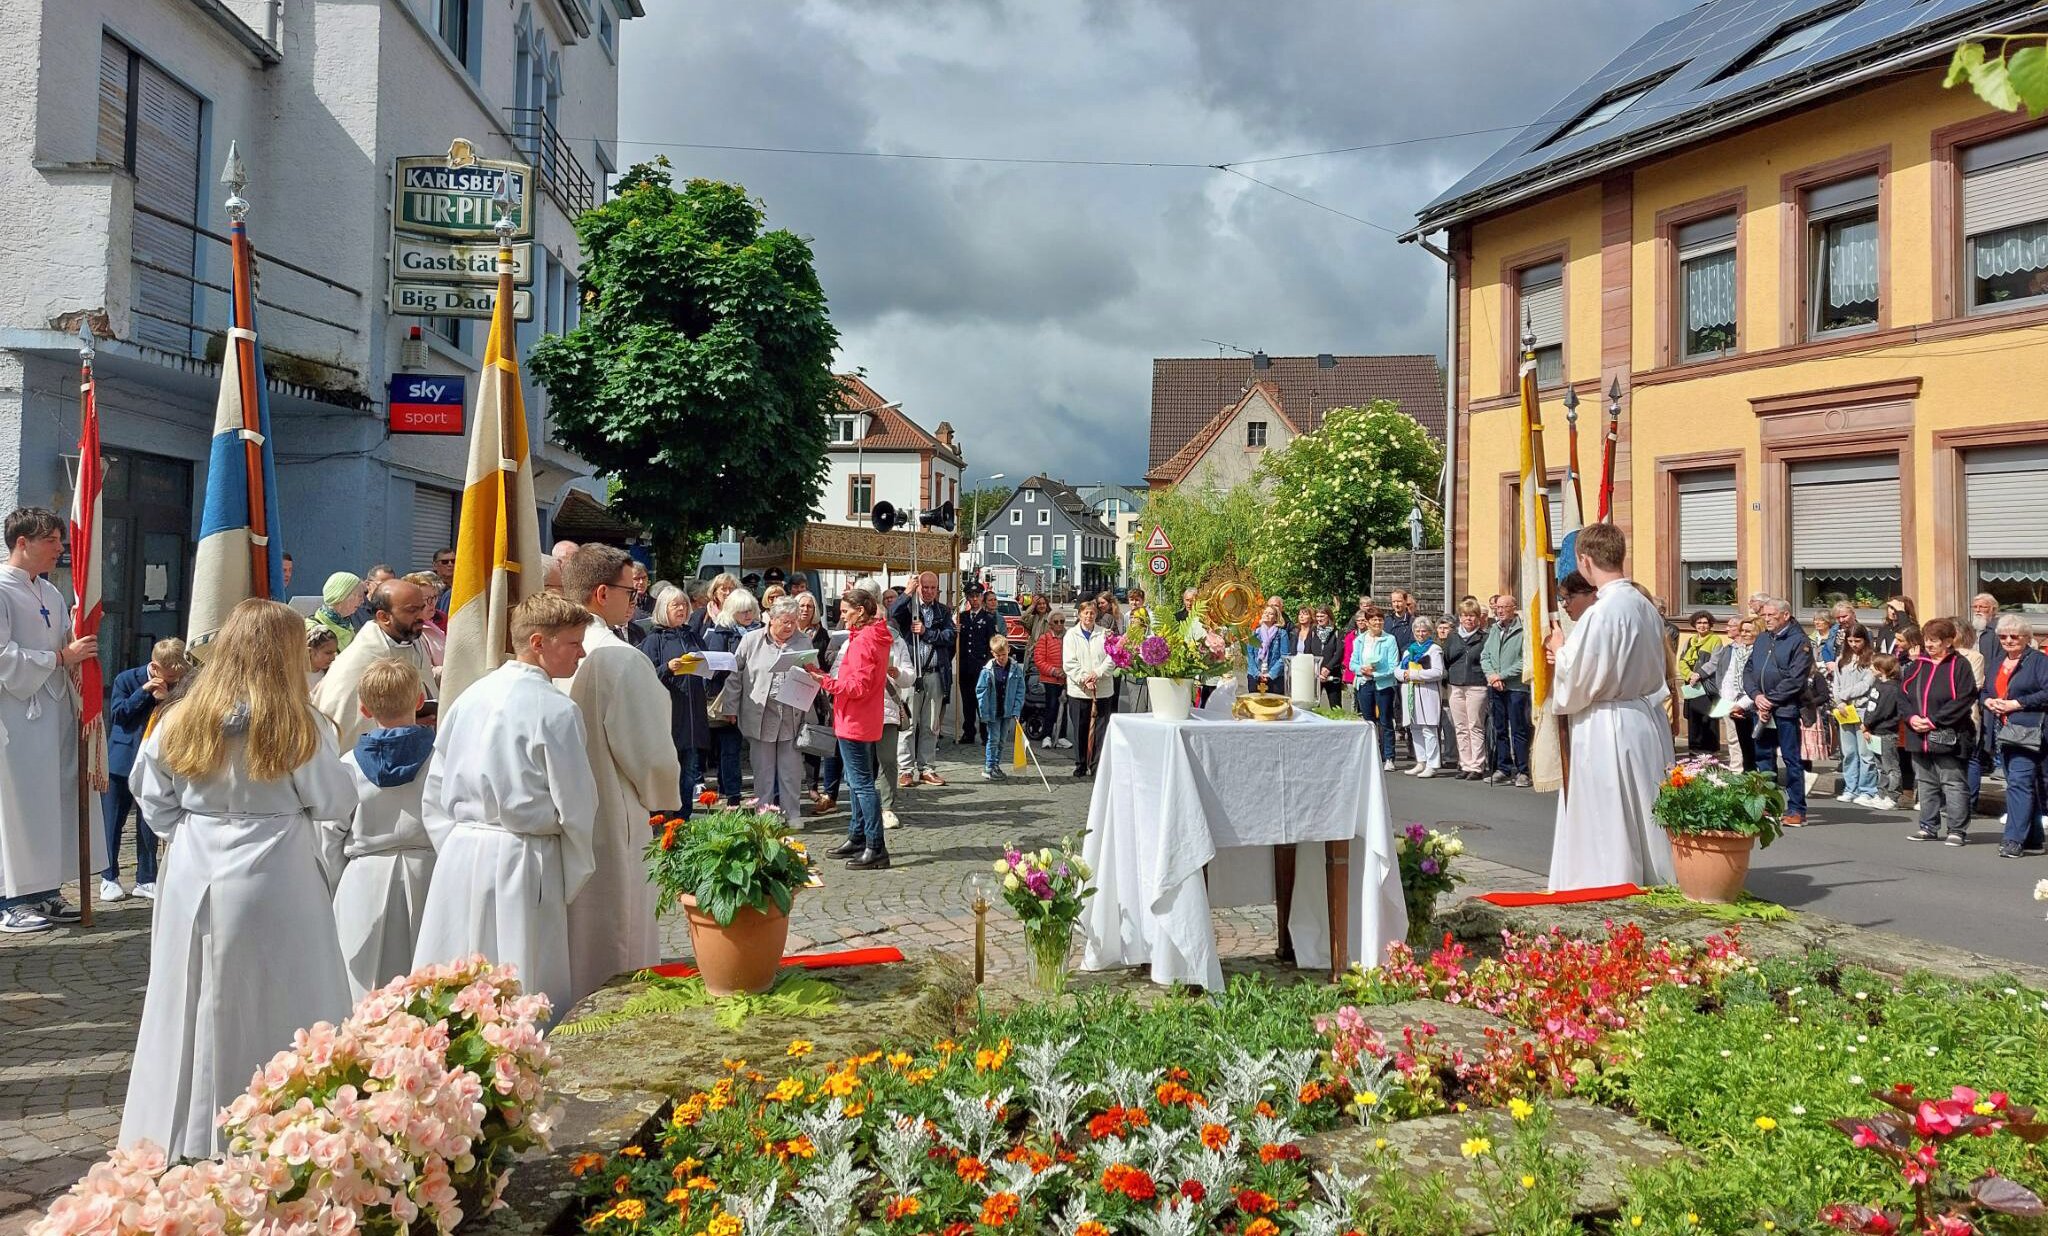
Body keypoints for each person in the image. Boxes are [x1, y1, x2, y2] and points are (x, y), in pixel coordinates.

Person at [121, 598, 358, 1158]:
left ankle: (179, 1126)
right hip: (274, 868)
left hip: (194, 864)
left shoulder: (181, 716)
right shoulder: (299, 723)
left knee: (188, 990)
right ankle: (277, 1120)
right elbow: (333, 800)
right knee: (279, 995)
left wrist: (196, 826)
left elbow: (150, 794)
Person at [413, 591, 599, 1017]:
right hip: (523, 857)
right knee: (521, 981)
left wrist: (458, 842)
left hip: (459, 855)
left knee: (455, 977)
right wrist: (566, 869)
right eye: (573, 643)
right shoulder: (556, 710)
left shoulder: (469, 697)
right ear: (539, 642)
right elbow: (576, 805)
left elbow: (435, 789)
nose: (582, 653)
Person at [557, 546, 681, 1002]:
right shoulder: (619, 659)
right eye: (631, 590)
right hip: (611, 811)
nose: (637, 598)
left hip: (559, 817)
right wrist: (663, 794)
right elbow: (650, 755)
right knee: (616, 929)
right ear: (601, 593)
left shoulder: (547, 650)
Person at [1542, 524, 1678, 892]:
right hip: (1643, 720)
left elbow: (1580, 680)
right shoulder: (1644, 606)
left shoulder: (1602, 613)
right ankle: (1653, 878)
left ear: (1585, 561)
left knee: (1610, 813)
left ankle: (1608, 883)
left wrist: (1560, 649)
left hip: (1607, 724)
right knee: (1643, 810)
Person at [0, 508, 101, 933]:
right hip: (14, 716)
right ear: (22, 543)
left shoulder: (51, 593)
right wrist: (60, 657)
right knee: (15, 806)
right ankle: (9, 900)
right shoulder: (2, 589)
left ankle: (42, 890)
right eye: (52, 541)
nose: (62, 549)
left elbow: (64, 644)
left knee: (47, 802)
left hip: (51, 712)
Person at [325, 656, 437, 1002]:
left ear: (363, 707)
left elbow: (330, 836)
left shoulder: (346, 766)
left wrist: (332, 888)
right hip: (427, 876)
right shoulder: (439, 758)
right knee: (428, 981)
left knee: (364, 993)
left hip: (364, 880)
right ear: (419, 701)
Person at [100, 638, 189, 903]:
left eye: (177, 677)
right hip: (123, 760)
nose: (173, 680)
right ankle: (108, 877)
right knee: (112, 822)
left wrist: (168, 697)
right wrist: (144, 692)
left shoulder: (181, 683)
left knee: (150, 822)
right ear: (155, 667)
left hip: (158, 761)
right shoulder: (127, 679)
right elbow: (119, 715)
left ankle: (147, 878)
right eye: (169, 676)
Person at [810, 586, 892, 869]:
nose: (842, 617)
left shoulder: (864, 640)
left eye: (845, 612)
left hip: (856, 719)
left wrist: (822, 679)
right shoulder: (872, 636)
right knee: (857, 783)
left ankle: (875, 845)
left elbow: (857, 686)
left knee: (861, 785)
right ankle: (858, 837)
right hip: (861, 718)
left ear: (860, 611)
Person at [312, 576, 436, 751]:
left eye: (421, 608)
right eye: (411, 610)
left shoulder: (413, 640)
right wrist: (407, 724)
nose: (421, 616)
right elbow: (349, 730)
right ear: (384, 617)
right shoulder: (361, 661)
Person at [733, 596, 812, 821]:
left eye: (793, 622)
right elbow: (734, 676)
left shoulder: (803, 641)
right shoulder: (751, 641)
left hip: (792, 713)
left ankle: (792, 814)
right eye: (785, 621)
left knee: (791, 770)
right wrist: (730, 707)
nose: (790, 627)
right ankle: (764, 816)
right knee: (763, 771)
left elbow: (812, 672)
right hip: (761, 712)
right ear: (772, 619)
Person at [1902, 618, 1978, 846]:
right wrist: (1912, 717)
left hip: (1949, 734)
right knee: (1925, 782)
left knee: (1953, 782)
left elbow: (1965, 697)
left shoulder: (1959, 665)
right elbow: (1902, 695)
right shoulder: (1918, 664)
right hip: (1918, 735)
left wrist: (1934, 720)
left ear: (1948, 641)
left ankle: (1957, 829)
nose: (1929, 645)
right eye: (1927, 640)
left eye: (1934, 641)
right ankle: (1928, 826)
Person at [1740, 597, 1814, 828]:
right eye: (1764, 615)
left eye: (1771, 615)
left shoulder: (1799, 641)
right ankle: (1767, 806)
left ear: (1785, 615)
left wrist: (1770, 700)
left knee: (1791, 760)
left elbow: (1796, 678)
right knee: (1763, 758)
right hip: (1761, 708)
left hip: (1785, 709)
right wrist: (1756, 696)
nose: (1767, 619)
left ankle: (1796, 809)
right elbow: (1749, 669)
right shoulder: (1762, 639)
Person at [1982, 614, 2048, 858]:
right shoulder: (1998, 661)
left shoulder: (2038, 661)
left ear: (2027, 637)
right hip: (2003, 729)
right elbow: (1986, 690)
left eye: (2014, 636)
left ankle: (2013, 840)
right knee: (2020, 783)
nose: (2008, 640)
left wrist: (2017, 703)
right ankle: (2033, 837)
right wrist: (1988, 700)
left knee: (2019, 783)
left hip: (2029, 730)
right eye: (2002, 636)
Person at [643, 583, 709, 820]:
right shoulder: (654, 639)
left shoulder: (693, 635)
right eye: (675, 605)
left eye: (684, 604)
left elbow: (706, 663)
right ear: (663, 608)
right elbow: (645, 675)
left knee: (689, 767)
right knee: (665, 766)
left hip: (693, 711)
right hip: (669, 711)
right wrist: (667, 668)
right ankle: (659, 813)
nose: (681, 609)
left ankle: (683, 815)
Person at [892, 572, 954, 787]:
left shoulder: (943, 611)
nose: (928, 591)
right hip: (911, 674)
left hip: (935, 673)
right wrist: (907, 592)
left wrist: (927, 632)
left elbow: (949, 636)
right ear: (919, 587)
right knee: (908, 725)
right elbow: (892, 614)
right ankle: (905, 769)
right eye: (924, 587)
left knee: (931, 724)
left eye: (932, 588)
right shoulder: (909, 608)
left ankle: (927, 768)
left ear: (937, 589)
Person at [703, 589, 758, 805]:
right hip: (728, 696)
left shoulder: (759, 631)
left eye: (751, 610)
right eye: (742, 611)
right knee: (730, 749)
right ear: (732, 611)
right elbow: (713, 669)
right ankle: (732, 795)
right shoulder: (721, 633)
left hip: (752, 697)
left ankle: (730, 788)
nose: (748, 615)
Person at [1481, 594, 1532, 787]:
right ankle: (1503, 768)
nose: (1499, 611)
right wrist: (1492, 676)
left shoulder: (1523, 630)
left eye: (1504, 607)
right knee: (1499, 729)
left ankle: (1522, 771)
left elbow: (1525, 660)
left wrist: (1501, 676)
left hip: (1516, 688)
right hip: (1495, 686)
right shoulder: (1494, 629)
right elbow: (1485, 656)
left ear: (1514, 608)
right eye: (1497, 608)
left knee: (1519, 730)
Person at [1062, 599, 1117, 778]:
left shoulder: (1105, 634)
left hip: (1102, 690)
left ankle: (1096, 766)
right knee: (1080, 728)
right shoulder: (1071, 635)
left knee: (1100, 731)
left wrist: (1098, 673)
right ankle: (1080, 763)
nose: (1089, 616)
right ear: (1080, 615)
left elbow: (1113, 657)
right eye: (1085, 613)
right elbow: (1069, 663)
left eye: (1092, 613)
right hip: (1079, 691)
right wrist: (1085, 678)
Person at [1696, 615, 1756, 769]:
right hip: (1727, 696)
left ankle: (1748, 768)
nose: (1726, 629)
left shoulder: (1752, 650)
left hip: (1747, 698)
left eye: (1731, 626)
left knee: (1748, 738)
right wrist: (1723, 693)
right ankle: (1736, 768)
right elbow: (1724, 672)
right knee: (1732, 736)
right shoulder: (1728, 649)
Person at [1830, 626, 1880, 808]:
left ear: (1865, 640)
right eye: (1850, 641)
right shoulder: (1841, 660)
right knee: (1849, 752)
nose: (1854, 645)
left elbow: (1866, 685)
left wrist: (1844, 695)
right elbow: (1835, 683)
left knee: (1865, 753)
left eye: (1857, 641)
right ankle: (1850, 788)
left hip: (1862, 710)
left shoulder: (1871, 660)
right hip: (1844, 711)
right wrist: (1839, 701)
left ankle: (1867, 789)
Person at [1348, 606, 1400, 772]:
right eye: (1374, 620)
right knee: (1368, 720)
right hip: (1364, 683)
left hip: (1383, 683)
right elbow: (1352, 663)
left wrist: (1376, 674)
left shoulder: (1390, 640)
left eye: (1380, 619)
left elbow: (1393, 665)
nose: (1378, 623)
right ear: (1368, 622)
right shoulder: (1359, 640)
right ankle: (1372, 754)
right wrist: (1361, 670)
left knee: (1385, 720)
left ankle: (1389, 756)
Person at [1442, 600, 1490, 780]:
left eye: (1472, 615)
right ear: (1460, 618)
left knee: (1475, 726)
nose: (1468, 619)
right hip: (1455, 685)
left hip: (1476, 685)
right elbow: (1446, 659)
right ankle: (1465, 763)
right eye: (1465, 615)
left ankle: (1477, 765)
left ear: (1478, 618)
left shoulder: (1484, 638)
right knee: (1460, 726)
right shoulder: (1452, 638)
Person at [1394, 614, 1446, 776]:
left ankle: (1432, 763)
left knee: (1428, 729)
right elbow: (1398, 669)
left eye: (1424, 631)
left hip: (1427, 692)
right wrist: (1403, 675)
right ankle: (1421, 761)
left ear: (1429, 632)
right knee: (1415, 728)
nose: (1420, 634)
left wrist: (1415, 675)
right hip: (1411, 691)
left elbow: (1438, 672)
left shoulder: (1434, 649)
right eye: (1417, 631)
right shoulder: (1409, 650)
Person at [976, 634, 1025, 780]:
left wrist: (1016, 709)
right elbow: (981, 691)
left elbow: (1020, 691)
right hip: (993, 711)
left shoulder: (1015, 669)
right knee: (993, 739)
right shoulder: (987, 670)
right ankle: (989, 766)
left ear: (1009, 650)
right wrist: (984, 712)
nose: (1001, 658)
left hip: (1007, 711)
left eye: (1003, 654)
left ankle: (996, 764)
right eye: (998, 655)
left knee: (1002, 740)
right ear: (993, 653)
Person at [1676, 611, 1725, 756]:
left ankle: (1710, 750)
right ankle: (1694, 748)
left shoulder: (1715, 640)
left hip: (1706, 683)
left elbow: (1715, 661)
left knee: (1708, 717)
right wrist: (1690, 675)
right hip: (1692, 684)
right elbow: (1682, 661)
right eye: (1699, 623)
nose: (1702, 626)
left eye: (1705, 623)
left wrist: (1699, 674)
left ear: (1710, 625)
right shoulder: (1690, 641)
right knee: (1693, 716)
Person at [958, 585, 999, 746]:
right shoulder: (962, 617)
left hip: (981, 667)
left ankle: (985, 733)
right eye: (971, 596)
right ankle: (968, 732)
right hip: (965, 667)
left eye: (977, 596)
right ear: (967, 598)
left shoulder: (988, 619)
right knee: (967, 703)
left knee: (982, 702)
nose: (974, 599)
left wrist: (990, 666)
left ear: (982, 597)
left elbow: (992, 644)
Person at [1862, 654, 1904, 810]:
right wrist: (1867, 726)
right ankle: (1881, 793)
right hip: (1875, 731)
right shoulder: (1878, 685)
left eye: (1874, 666)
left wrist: (1867, 724)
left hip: (1887, 731)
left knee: (1890, 766)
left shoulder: (1893, 688)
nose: (1871, 668)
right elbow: (1871, 707)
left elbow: (1883, 711)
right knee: (1880, 765)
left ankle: (1893, 796)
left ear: (1882, 668)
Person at [1032, 612, 1071, 749]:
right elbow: (1039, 660)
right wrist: (1054, 671)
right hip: (1050, 680)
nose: (1059, 624)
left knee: (1064, 709)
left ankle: (1061, 736)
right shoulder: (1045, 638)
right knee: (1051, 707)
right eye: (1056, 622)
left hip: (1066, 679)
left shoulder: (1069, 637)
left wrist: (1067, 671)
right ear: (1050, 624)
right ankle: (1047, 735)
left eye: (1062, 621)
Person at [402, 570, 449, 674]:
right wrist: (456, 670)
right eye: (426, 599)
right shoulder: (408, 630)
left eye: (435, 597)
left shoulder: (434, 622)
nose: (432, 603)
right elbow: (423, 672)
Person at [308, 571, 363, 653]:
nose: (362, 601)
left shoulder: (348, 625)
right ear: (342, 595)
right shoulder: (312, 629)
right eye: (359, 595)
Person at [1303, 606, 1343, 710]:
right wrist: (1317, 670)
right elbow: (1307, 652)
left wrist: (1328, 668)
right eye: (1317, 616)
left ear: (1329, 616)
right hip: (1315, 674)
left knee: (1336, 707)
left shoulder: (1337, 632)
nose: (1319, 619)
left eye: (1322, 616)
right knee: (1313, 707)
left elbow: (1339, 653)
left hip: (1332, 674)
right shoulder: (1312, 632)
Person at [1248, 600, 1292, 694]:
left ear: (1276, 618)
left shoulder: (1281, 634)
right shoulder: (1254, 633)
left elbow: (1284, 656)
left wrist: (1271, 674)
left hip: (1275, 676)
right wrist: (1257, 673)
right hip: (1254, 675)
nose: (1267, 615)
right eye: (1265, 613)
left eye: (1271, 614)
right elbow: (1249, 655)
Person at [352, 565, 396, 629]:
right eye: (381, 585)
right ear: (368, 585)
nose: (387, 590)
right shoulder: (354, 608)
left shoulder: (395, 608)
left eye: (391, 585)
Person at [306, 626, 339, 694]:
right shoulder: (295, 676)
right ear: (310, 652)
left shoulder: (332, 674)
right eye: (328, 653)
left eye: (334, 653)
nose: (333, 658)